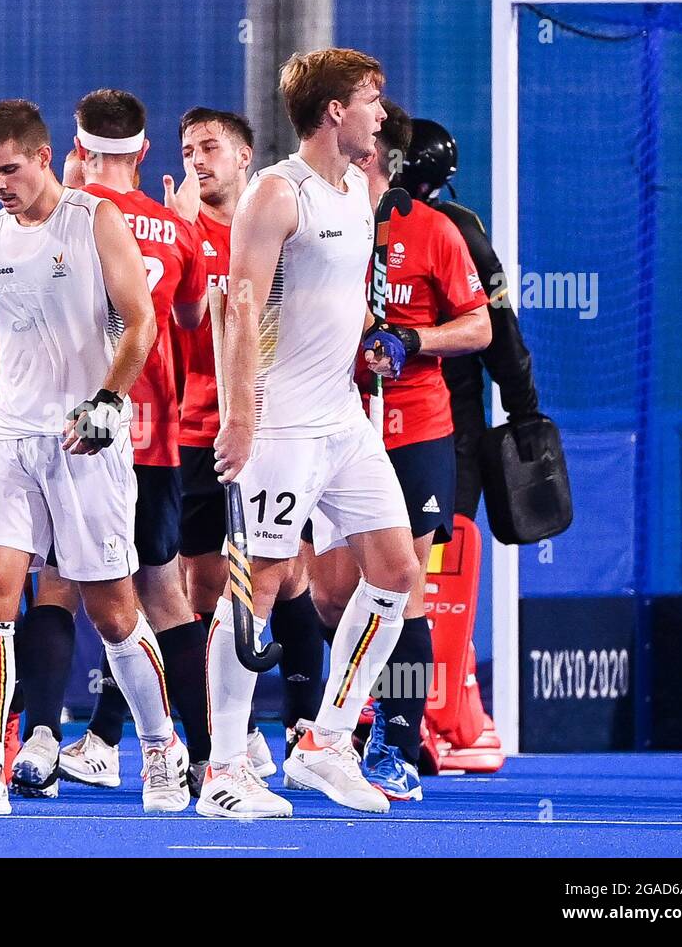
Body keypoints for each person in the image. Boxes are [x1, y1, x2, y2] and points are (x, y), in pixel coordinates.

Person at [0, 99, 189, 816]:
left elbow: (142, 320)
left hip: (87, 440)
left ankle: (163, 744)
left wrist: (108, 398)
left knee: (113, 610)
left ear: (45, 157)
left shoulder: (95, 219)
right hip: (11, 434)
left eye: (9, 169)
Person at [209, 47, 418, 817]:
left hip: (344, 416)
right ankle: (223, 770)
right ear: (334, 111)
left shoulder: (361, 188)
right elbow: (240, 309)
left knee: (397, 571)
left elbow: (335, 299)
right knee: (255, 590)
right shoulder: (275, 192)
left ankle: (326, 742)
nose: (381, 114)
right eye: (371, 98)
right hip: (282, 422)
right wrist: (240, 416)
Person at [13, 88, 212, 799]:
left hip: (68, 425)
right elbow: (188, 316)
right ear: (146, 150)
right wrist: (179, 231)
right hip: (152, 429)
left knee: (60, 584)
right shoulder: (176, 229)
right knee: (163, 591)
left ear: (75, 145)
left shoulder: (57, 217)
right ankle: (210, 759)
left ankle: (38, 740)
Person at [303, 99, 490, 802]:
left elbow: (477, 327)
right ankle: (342, 717)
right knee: (328, 592)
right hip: (329, 422)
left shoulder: (435, 229)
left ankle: (397, 739)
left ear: (376, 148)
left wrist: (414, 341)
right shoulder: (321, 215)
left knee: (400, 586)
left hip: (414, 428)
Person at [169, 106, 327, 774]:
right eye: (187, 151)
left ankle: (308, 728)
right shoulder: (175, 234)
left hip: (275, 426)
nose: (198, 160)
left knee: (287, 574)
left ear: (243, 157)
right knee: (204, 589)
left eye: (210, 147)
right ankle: (235, 738)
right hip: (195, 431)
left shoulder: (274, 226)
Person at [396, 119, 543, 519]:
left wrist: (525, 414)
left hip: (440, 420)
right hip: (380, 414)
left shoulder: (455, 232)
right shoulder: (351, 223)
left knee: (436, 556)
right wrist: (524, 411)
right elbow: (504, 332)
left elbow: (496, 328)